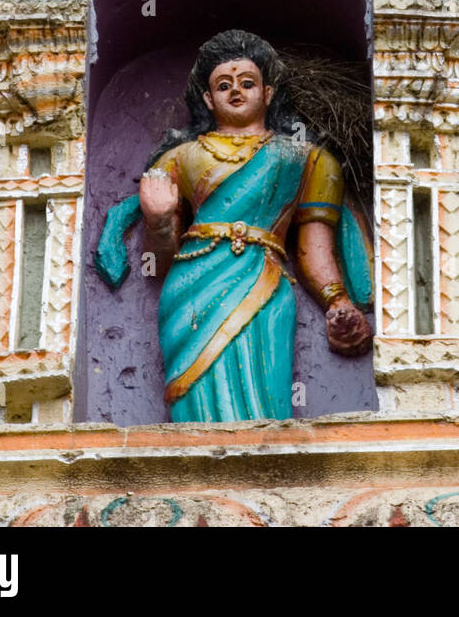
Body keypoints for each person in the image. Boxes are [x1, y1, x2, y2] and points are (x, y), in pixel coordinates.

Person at [134, 29, 372, 422]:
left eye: (247, 83)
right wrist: (159, 222)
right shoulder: (177, 159)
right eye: (223, 85)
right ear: (208, 99)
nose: (236, 91)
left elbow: (314, 247)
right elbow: (157, 264)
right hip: (191, 288)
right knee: (194, 408)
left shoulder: (307, 159)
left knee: (266, 398)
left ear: (268, 92)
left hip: (264, 283)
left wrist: (337, 301)